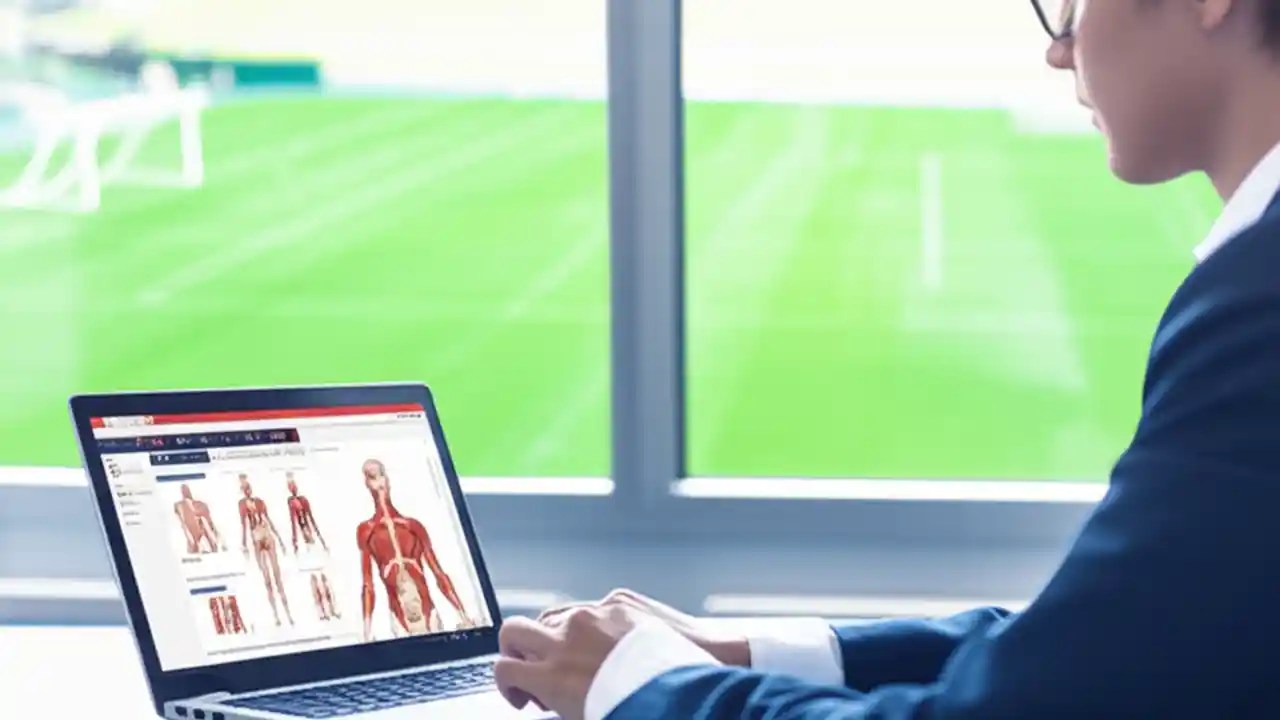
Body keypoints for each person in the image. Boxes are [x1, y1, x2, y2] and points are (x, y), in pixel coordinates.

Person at [493, 0, 1280, 718]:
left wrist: (642, 687)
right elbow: (1120, 642)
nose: (1060, 50)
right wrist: (747, 653)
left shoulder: (1259, 306)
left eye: (1071, 4)